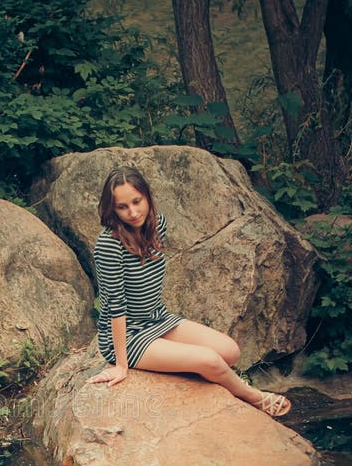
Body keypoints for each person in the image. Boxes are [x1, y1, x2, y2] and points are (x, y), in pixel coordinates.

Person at [88, 165, 291, 418]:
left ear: (147, 196)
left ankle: (182, 361)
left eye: (137, 201)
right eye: (122, 207)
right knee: (210, 360)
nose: (133, 212)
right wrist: (121, 365)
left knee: (230, 351)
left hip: (158, 319)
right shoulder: (109, 244)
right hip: (127, 335)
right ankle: (253, 396)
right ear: (112, 209)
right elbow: (115, 306)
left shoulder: (156, 225)